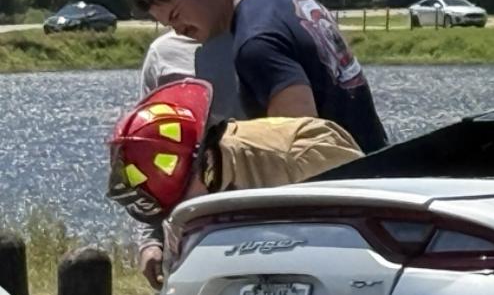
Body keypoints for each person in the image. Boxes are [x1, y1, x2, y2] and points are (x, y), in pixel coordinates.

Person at [130, 0, 388, 156]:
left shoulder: (255, 44)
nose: (178, 31)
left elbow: (301, 148)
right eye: (169, 25)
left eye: (176, 15)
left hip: (345, 186)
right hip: (377, 161)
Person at [106, 79, 362, 243]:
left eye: (185, 204)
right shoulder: (183, 213)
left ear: (207, 165)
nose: (185, 218)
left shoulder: (306, 151)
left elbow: (363, 241)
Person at [134, 0, 243, 286]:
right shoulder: (162, 55)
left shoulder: (258, 36)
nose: (181, 28)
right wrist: (149, 239)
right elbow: (150, 152)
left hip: (257, 219)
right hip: (190, 232)